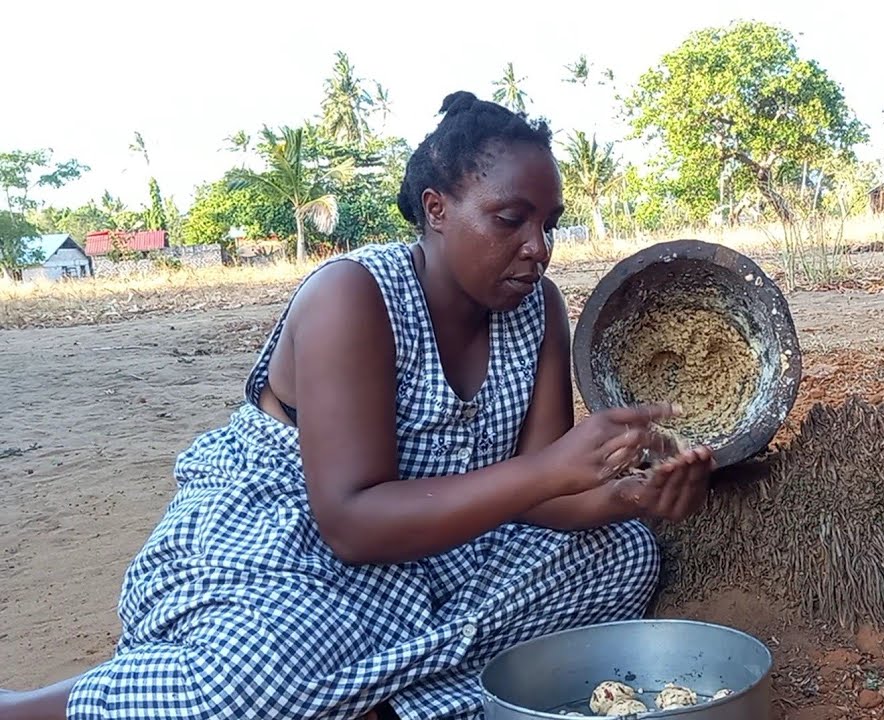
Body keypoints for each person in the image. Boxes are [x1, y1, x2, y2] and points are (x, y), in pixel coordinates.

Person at [1, 90, 715, 720]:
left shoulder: (538, 310)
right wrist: (550, 470)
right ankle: (37, 709)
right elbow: (349, 523)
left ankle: (370, 699)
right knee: (262, 671)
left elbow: (541, 501)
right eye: (510, 219)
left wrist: (627, 497)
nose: (538, 248)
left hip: (440, 542)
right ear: (436, 209)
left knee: (622, 557)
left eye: (548, 224)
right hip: (288, 540)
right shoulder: (353, 296)